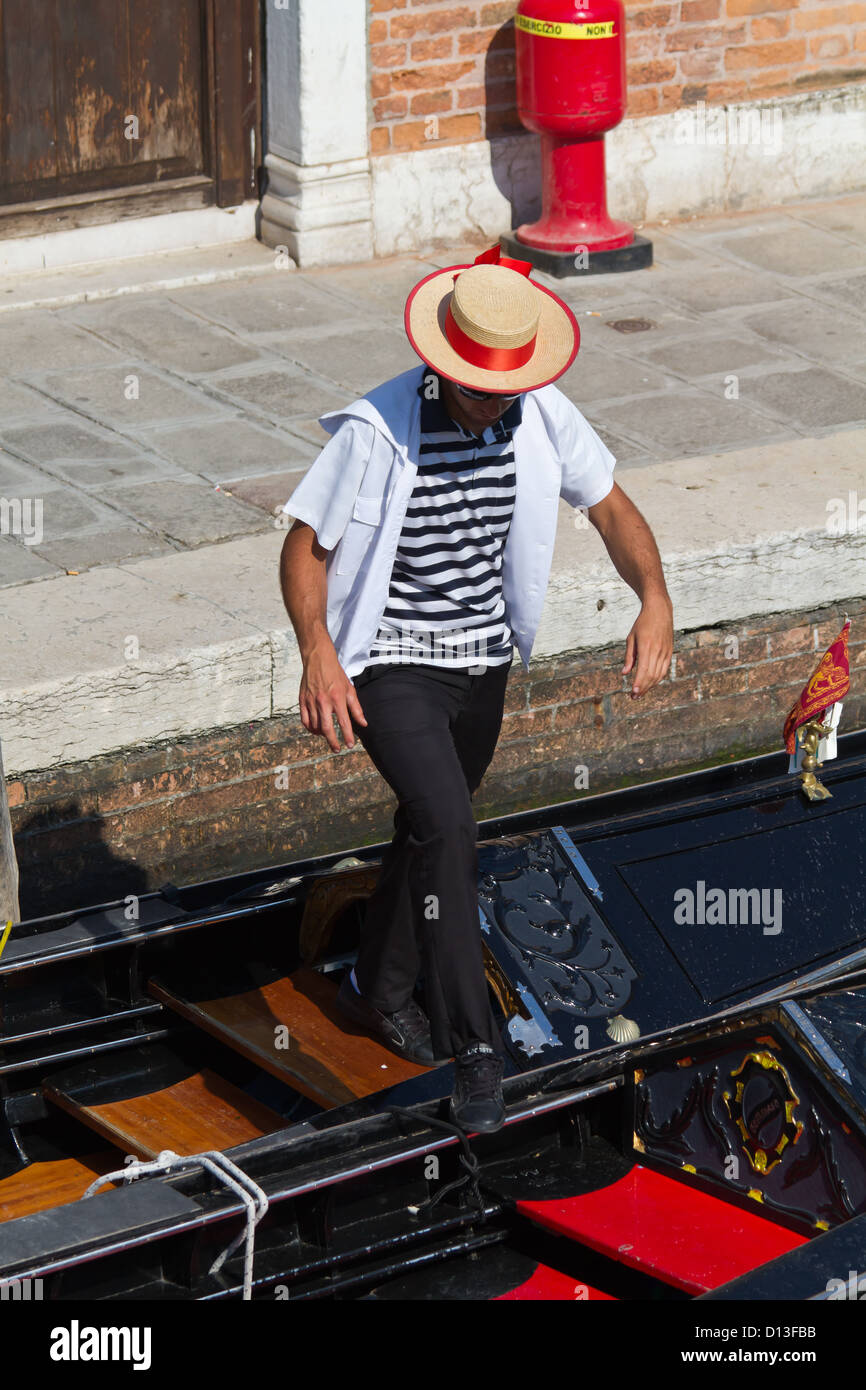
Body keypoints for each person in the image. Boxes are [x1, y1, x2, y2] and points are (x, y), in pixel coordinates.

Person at [279, 246, 673, 1133]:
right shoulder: (378, 428)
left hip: (483, 664)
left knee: (430, 825)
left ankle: (375, 986)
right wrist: (317, 651)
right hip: (394, 661)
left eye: (502, 388)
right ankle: (476, 1048)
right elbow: (307, 543)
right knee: (453, 825)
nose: (491, 402)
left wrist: (654, 598)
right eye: (474, 386)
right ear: (440, 361)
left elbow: (610, 506)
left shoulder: (542, 413)